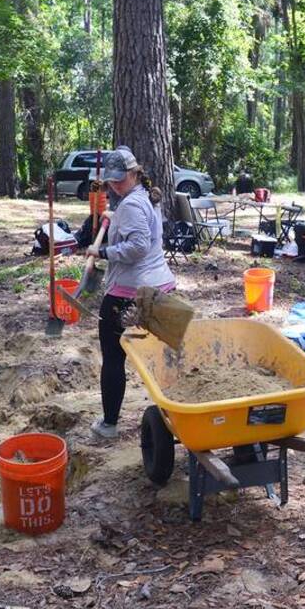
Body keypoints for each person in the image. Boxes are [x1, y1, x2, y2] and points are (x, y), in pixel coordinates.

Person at [88, 148, 176, 440]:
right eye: (111, 181)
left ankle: (109, 425)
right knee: (166, 356)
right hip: (162, 287)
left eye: (120, 180)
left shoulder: (131, 206)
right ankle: (177, 412)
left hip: (130, 294)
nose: (114, 185)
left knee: (113, 358)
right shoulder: (149, 197)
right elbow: (145, 233)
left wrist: (102, 251)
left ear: (135, 173)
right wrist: (114, 218)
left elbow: (138, 246)